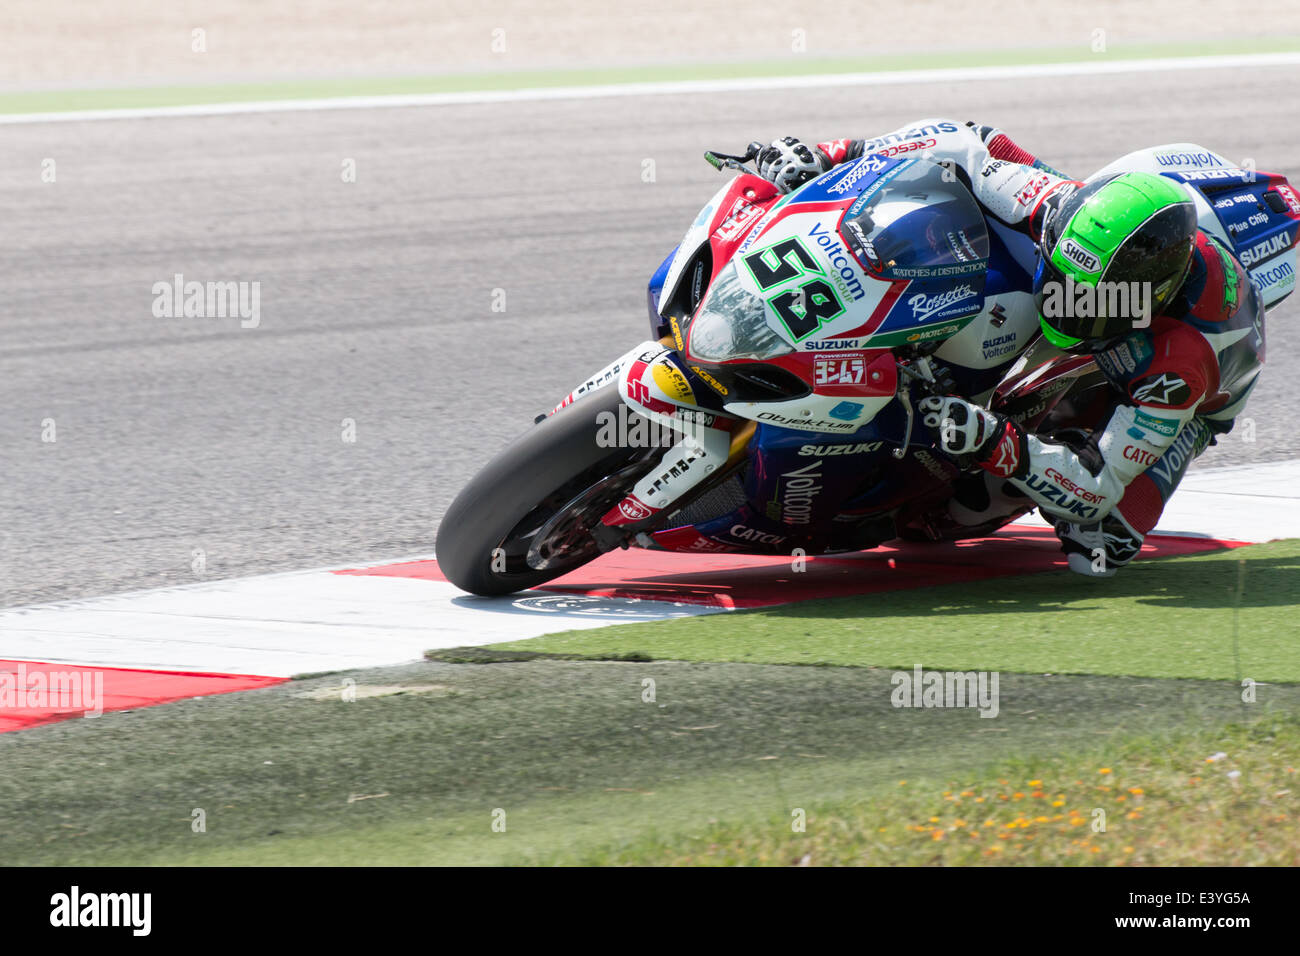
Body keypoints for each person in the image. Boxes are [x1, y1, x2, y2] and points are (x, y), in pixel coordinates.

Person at [754, 121, 1264, 577]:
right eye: (1065, 280)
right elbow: (965, 141)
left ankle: (1046, 432)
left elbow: (1098, 488)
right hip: (1121, 301)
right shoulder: (1054, 207)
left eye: (1089, 301)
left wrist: (992, 440)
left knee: (1098, 548)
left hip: (1188, 399)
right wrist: (837, 152)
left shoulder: (1177, 367)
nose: (1067, 305)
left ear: (1146, 299)